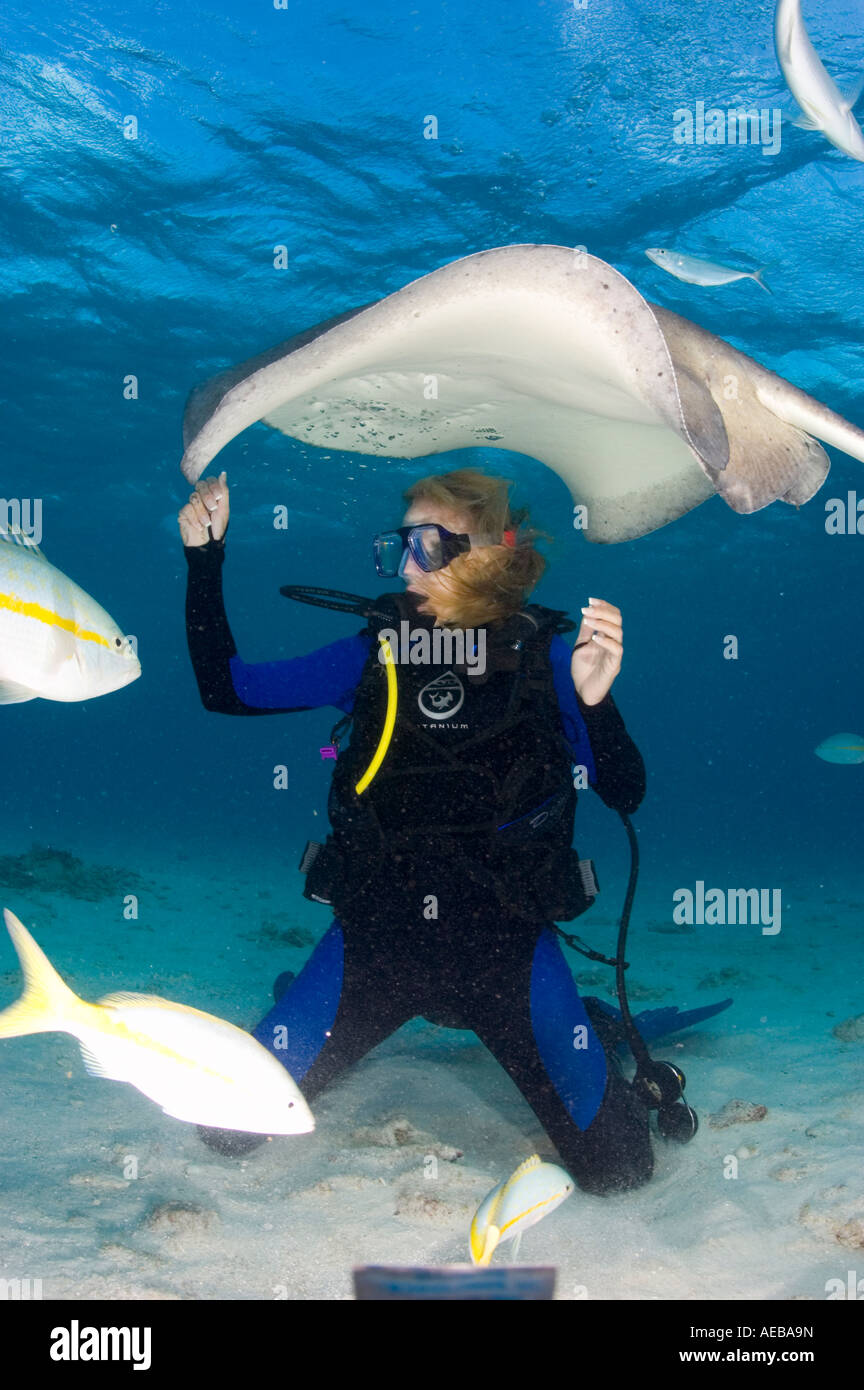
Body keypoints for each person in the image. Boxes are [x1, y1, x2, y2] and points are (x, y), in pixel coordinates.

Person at [179, 467, 653, 1194]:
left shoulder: (548, 659)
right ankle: (301, 1003)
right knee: (226, 1128)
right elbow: (228, 690)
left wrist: (597, 703)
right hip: (374, 940)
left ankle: (600, 1026)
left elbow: (625, 790)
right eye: (399, 546)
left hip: (509, 949)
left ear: (496, 551)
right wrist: (204, 560)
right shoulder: (373, 654)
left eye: (429, 545)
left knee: (620, 1172)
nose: (406, 566)